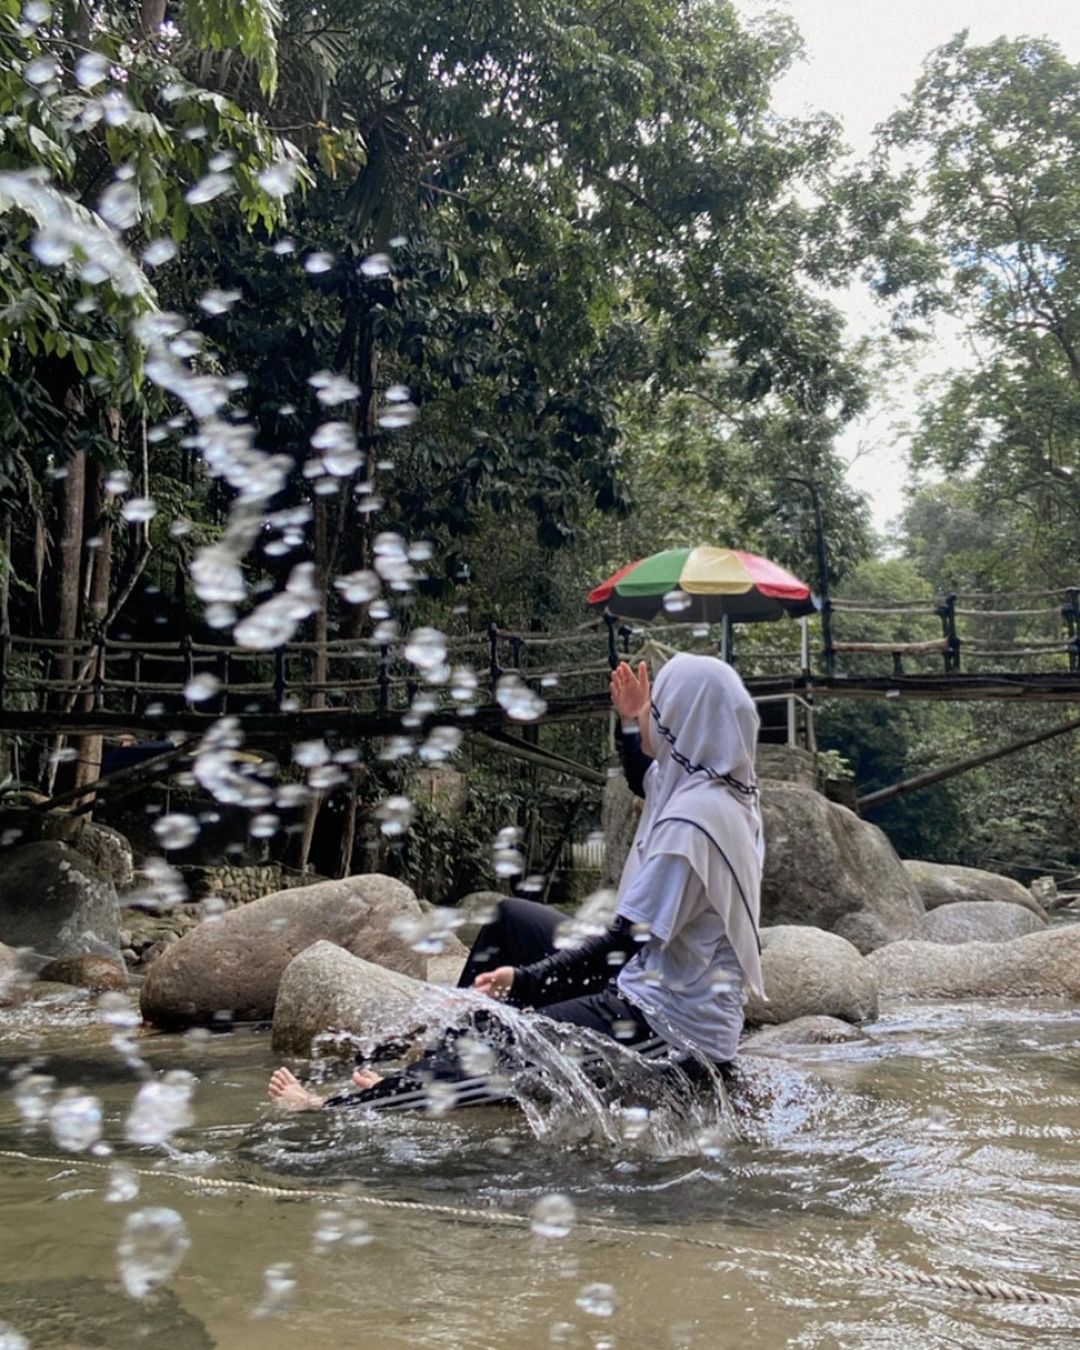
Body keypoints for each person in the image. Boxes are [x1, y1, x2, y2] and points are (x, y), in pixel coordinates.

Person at [268, 652, 765, 1113]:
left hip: (671, 1027)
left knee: (507, 1032)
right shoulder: (712, 783)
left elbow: (620, 945)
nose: (654, 711)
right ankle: (431, 1069)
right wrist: (632, 718)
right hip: (649, 978)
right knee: (510, 920)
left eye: (660, 705)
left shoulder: (693, 826)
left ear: (683, 720)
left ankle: (345, 1108)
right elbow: (643, 777)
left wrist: (524, 981)